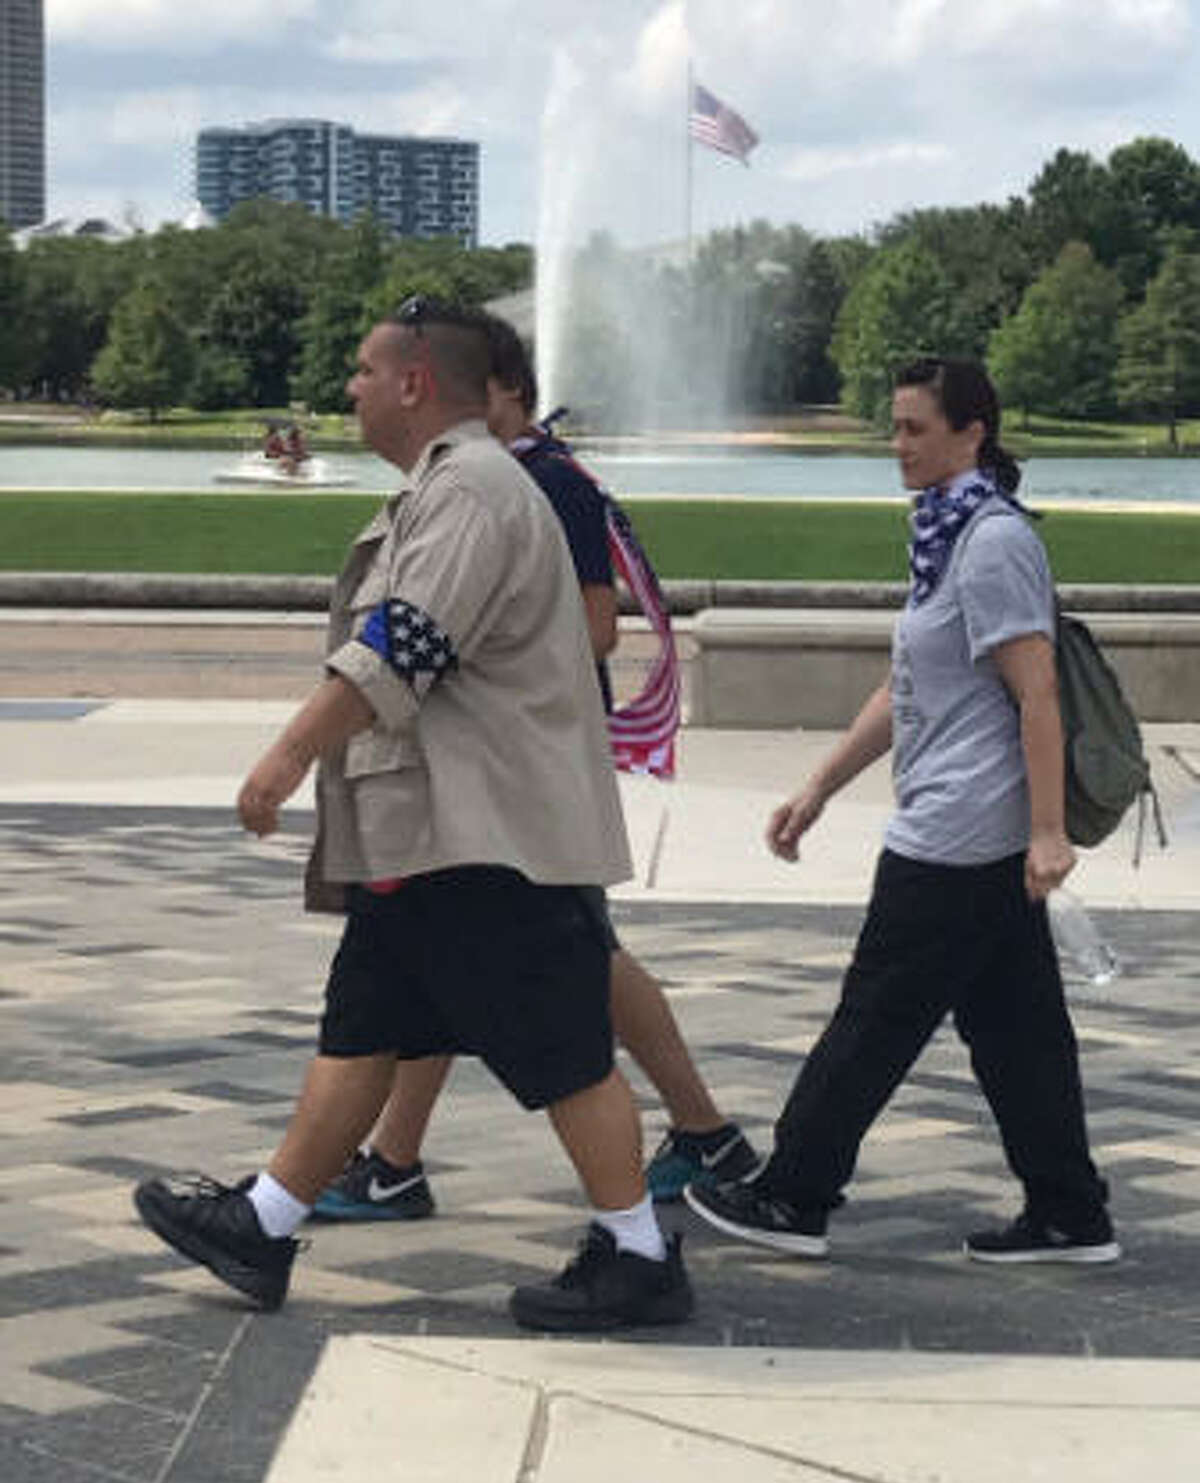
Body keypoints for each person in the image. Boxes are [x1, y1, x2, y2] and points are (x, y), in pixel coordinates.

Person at [132, 298, 694, 1332]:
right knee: (365, 1026)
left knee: (563, 1048)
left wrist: (289, 754)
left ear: (414, 382)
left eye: (361, 370)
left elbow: (406, 640)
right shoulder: (454, 484)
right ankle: (264, 1221)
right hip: (438, 825)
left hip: (485, 833)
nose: (349, 387)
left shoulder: (473, 490)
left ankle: (639, 1254)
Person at [311, 316, 757, 1223]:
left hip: (520, 771)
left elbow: (593, 628)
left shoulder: (540, 484)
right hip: (500, 776)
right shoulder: (496, 480)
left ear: (501, 391)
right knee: (447, 966)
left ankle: (689, 1150)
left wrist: (474, 654)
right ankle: (391, 1160)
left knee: (563, 974)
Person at [686, 357, 1119, 1266]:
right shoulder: (947, 532)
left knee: (876, 1014)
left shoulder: (991, 541)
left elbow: (1038, 693)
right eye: (894, 427)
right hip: (967, 824)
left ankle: (794, 1193)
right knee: (1016, 1028)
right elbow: (907, 686)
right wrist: (819, 786)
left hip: (962, 829)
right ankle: (1069, 1213)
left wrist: (1049, 832)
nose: (898, 445)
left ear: (972, 434)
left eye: (915, 428)